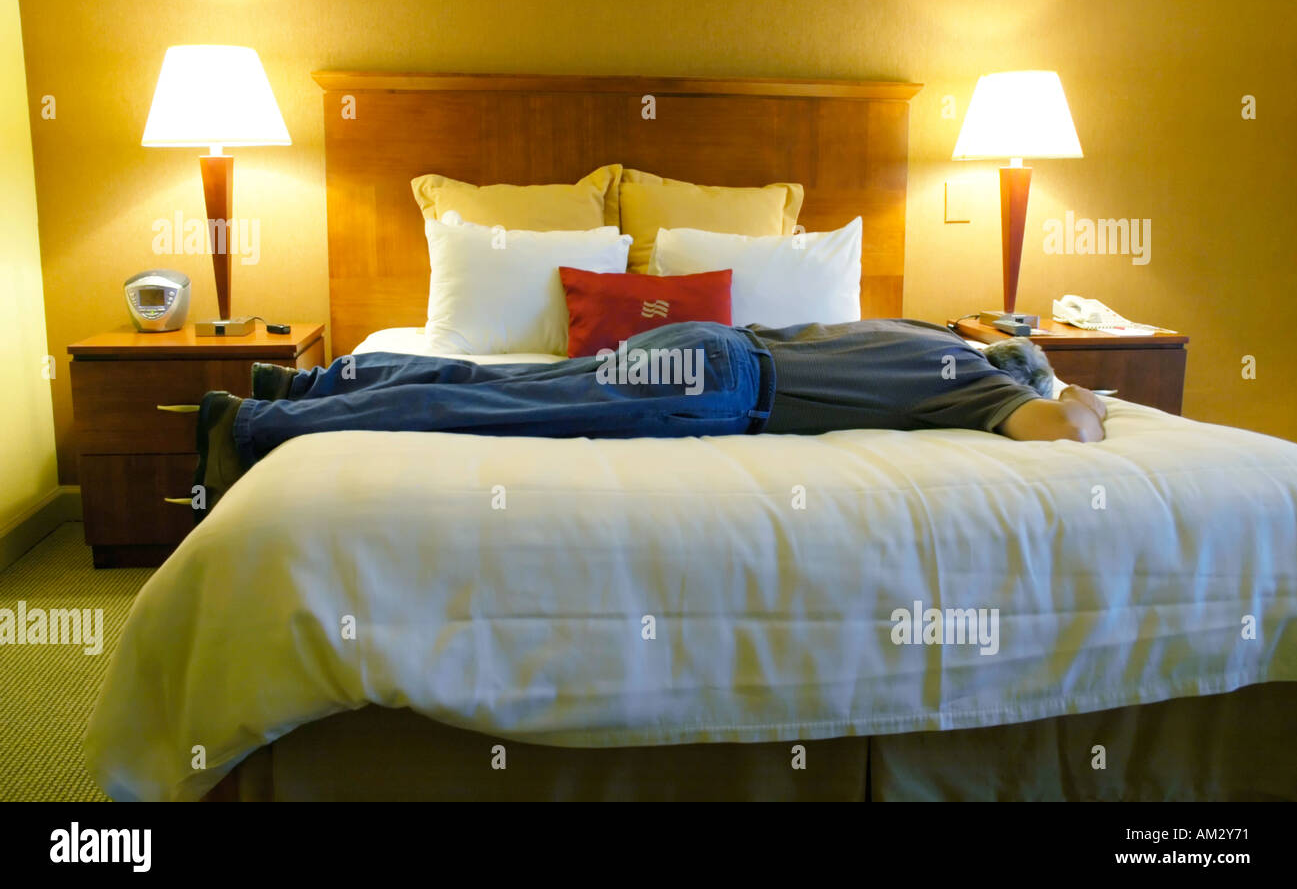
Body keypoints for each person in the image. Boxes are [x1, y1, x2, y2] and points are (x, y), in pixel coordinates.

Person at [193, 319, 1106, 515]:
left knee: (497, 381)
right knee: (488, 405)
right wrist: (1079, 396)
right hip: (716, 391)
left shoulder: (908, 334)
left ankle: (305, 388)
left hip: (711, 345)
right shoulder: (991, 388)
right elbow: (1067, 432)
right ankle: (252, 427)